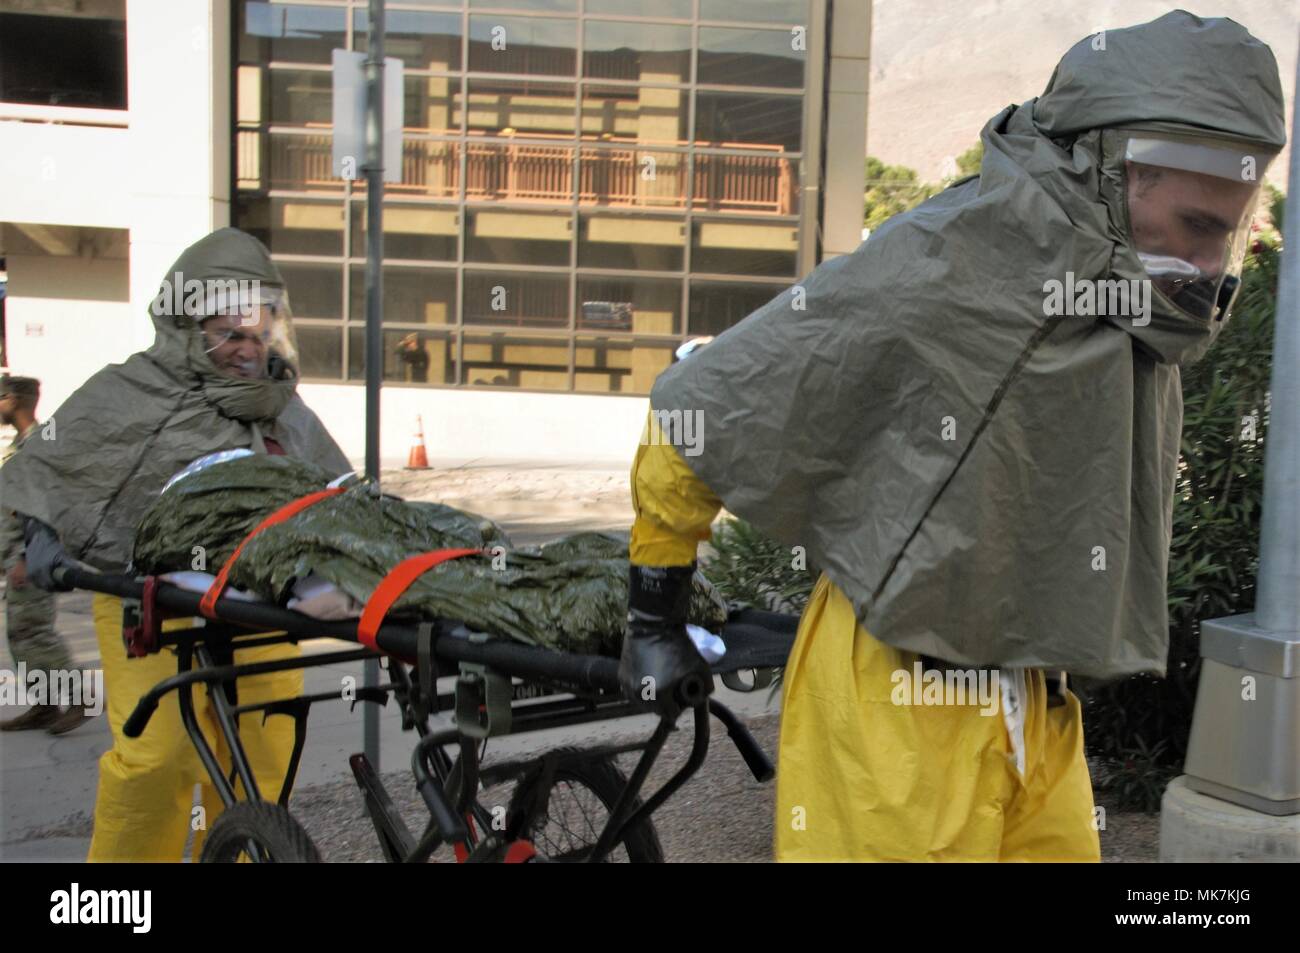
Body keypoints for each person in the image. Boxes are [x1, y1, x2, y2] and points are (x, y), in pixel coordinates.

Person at [620, 11, 1286, 861]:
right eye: (1197, 227)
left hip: (1034, 704)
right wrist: (656, 609)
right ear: (1115, 170)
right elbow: (703, 405)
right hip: (891, 718)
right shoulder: (944, 263)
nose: (1206, 266)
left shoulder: (1124, 313)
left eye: (1225, 234)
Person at [2, 228, 351, 861]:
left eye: (259, 334)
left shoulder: (280, 406)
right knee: (159, 760)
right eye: (230, 334)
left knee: (263, 752)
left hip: (256, 602)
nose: (247, 351)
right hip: (146, 602)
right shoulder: (125, 393)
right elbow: (48, 471)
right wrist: (35, 542)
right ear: (188, 325)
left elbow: (336, 492)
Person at [0, 374, 85, 734]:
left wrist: (23, 556)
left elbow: (44, 508)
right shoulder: (22, 445)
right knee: (21, 635)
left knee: (34, 631)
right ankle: (46, 705)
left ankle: (82, 697)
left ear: (14, 400)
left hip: (31, 557)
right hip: (16, 557)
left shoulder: (41, 445)